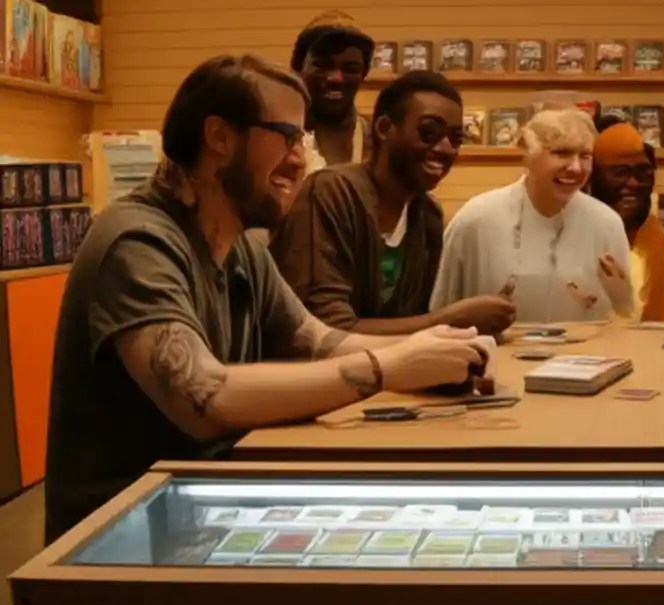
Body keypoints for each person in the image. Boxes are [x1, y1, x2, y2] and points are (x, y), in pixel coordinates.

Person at [43, 55, 495, 543]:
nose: (299, 159)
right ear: (219, 137)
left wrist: (438, 350)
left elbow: (318, 340)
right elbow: (204, 397)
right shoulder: (135, 241)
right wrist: (388, 369)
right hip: (117, 548)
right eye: (286, 136)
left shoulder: (237, 246)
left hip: (202, 513)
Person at [271, 71, 515, 336]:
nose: (446, 148)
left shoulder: (427, 216)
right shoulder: (331, 193)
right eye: (429, 132)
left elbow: (408, 327)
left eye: (456, 139)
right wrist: (449, 321)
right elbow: (323, 331)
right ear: (384, 128)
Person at [431, 108, 634, 323]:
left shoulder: (606, 224)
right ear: (528, 156)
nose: (576, 168)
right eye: (561, 153)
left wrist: (620, 297)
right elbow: (440, 313)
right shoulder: (476, 220)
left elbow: (624, 316)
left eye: (585, 156)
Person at [589, 119, 664, 322]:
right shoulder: (574, 234)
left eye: (643, 174)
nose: (633, 183)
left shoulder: (657, 243)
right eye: (620, 173)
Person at [292, 10, 374, 173]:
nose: (336, 78)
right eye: (322, 65)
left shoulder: (377, 142)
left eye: (350, 69)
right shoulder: (281, 138)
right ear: (299, 68)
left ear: (363, 74)